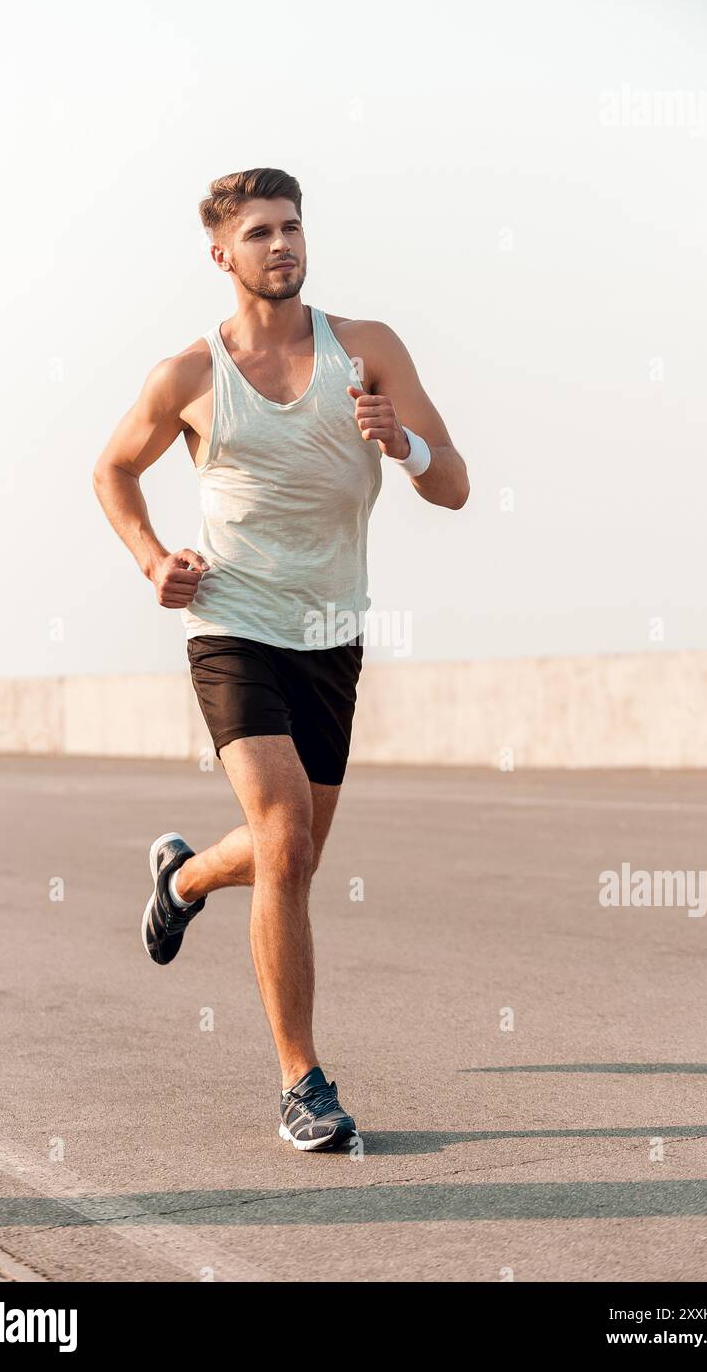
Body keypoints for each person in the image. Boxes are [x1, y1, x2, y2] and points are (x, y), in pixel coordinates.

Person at [93, 167, 469, 1151]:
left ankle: (178, 883)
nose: (281, 245)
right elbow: (113, 469)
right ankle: (303, 1083)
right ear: (223, 254)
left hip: (329, 639)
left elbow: (456, 484)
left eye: (291, 226)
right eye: (258, 232)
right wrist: (152, 559)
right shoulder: (188, 376)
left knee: (285, 852)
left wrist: (406, 448)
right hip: (231, 624)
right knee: (288, 840)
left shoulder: (369, 350)